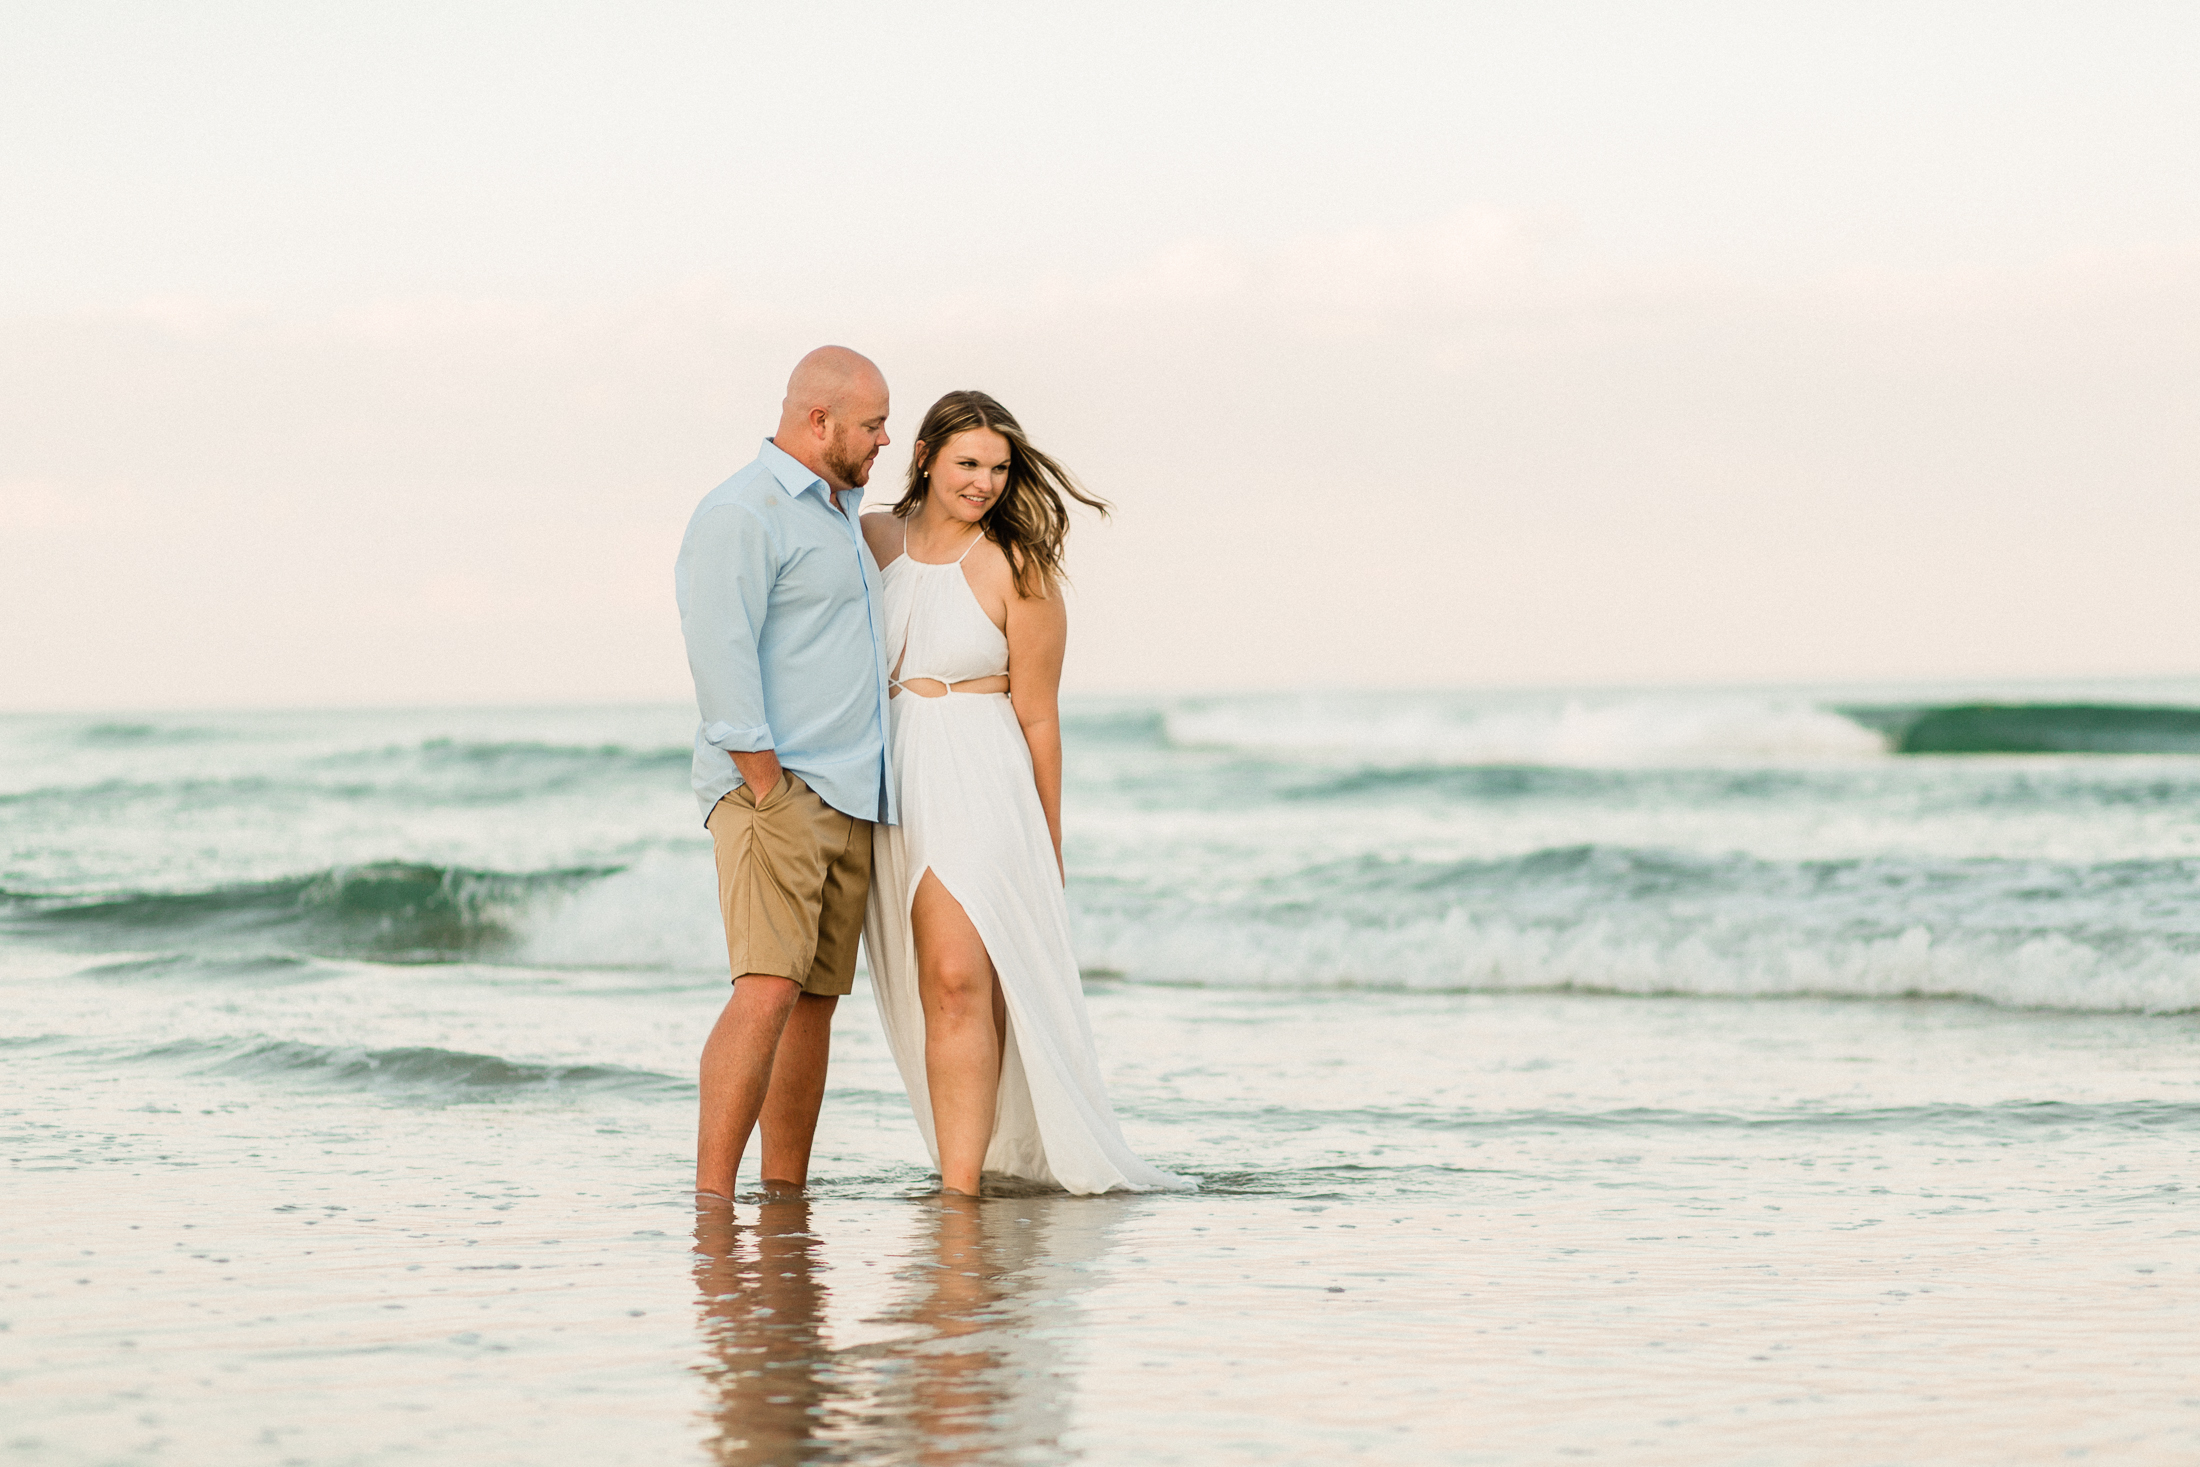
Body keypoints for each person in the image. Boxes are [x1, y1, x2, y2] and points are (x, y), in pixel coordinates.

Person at [859, 390, 1189, 1196]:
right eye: (969, 463)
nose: (985, 482)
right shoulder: (869, 537)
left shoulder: (1019, 566)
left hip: (980, 775)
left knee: (957, 978)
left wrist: (1049, 836)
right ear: (925, 456)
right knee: (931, 982)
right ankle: (977, 1162)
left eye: (1000, 468)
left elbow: (1039, 717)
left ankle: (960, 1192)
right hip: (889, 776)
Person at [676, 345, 895, 1203]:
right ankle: (712, 1205)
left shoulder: (841, 516)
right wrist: (767, 782)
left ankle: (782, 1196)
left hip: (849, 795)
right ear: (819, 420)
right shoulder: (743, 510)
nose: (884, 439)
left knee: (813, 1002)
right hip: (779, 793)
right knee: (767, 989)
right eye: (873, 424)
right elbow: (719, 651)